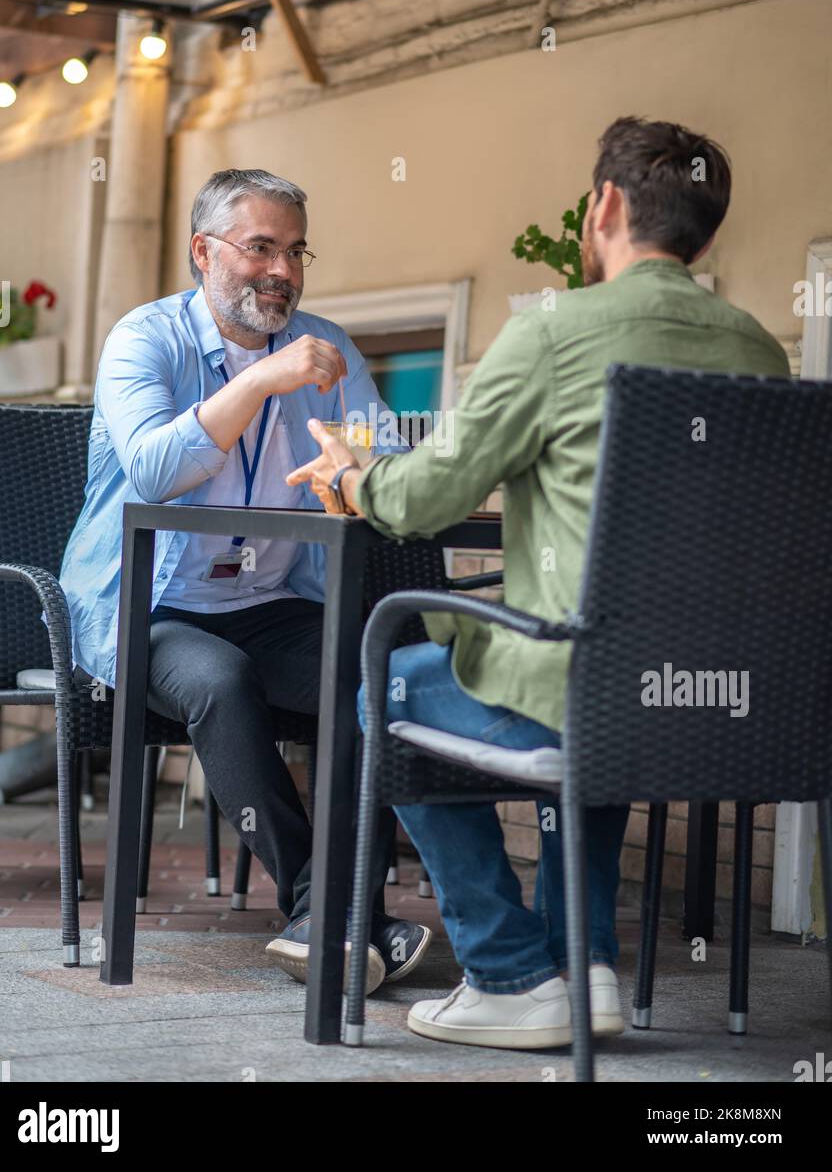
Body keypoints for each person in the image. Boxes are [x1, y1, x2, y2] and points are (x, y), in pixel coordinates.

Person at [287, 117, 791, 1048]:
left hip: (590, 684)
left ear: (602, 207)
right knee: (593, 685)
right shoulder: (759, 349)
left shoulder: (556, 334)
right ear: (705, 237)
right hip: (725, 699)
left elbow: (431, 494)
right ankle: (585, 966)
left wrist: (349, 478)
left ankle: (512, 970)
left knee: (384, 681)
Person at [59, 168, 430, 991]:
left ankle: (331, 921)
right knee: (220, 680)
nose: (283, 271)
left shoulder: (327, 349)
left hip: (271, 601)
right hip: (149, 606)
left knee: (366, 673)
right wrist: (261, 378)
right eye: (260, 247)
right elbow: (155, 470)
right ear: (204, 252)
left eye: (296, 252)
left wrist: (356, 468)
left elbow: (390, 463)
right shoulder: (144, 339)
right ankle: (331, 909)